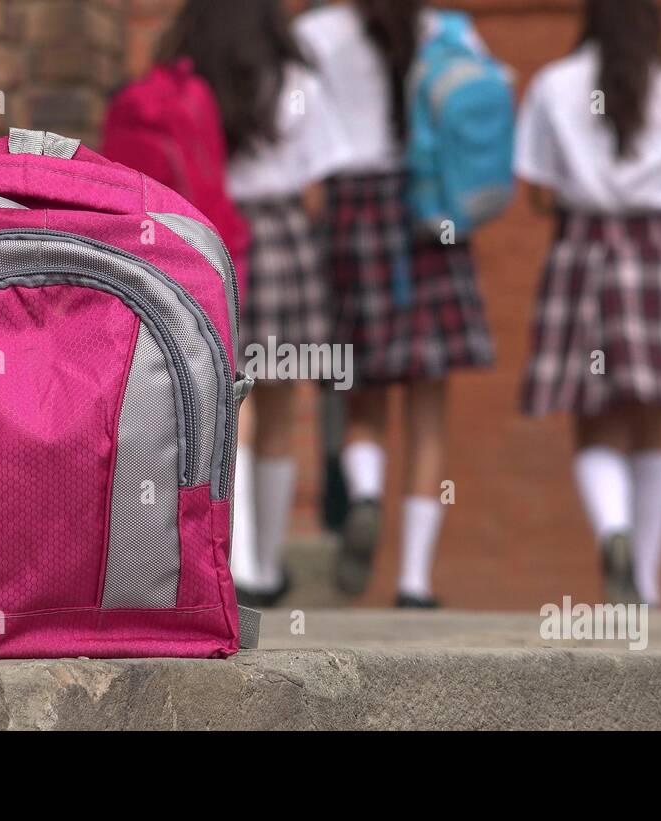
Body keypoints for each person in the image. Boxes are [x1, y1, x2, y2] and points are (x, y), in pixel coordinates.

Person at [515, 0, 661, 605]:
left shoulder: (554, 86)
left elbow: (536, 192)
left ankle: (612, 531)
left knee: (593, 421)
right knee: (650, 425)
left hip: (583, 251)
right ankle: (646, 582)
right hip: (660, 254)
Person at [295, 0, 496, 608]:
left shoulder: (314, 34)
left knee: (364, 395)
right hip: (432, 210)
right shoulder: (447, 29)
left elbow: (302, 139)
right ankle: (415, 582)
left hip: (355, 209)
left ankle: (363, 497)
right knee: (429, 407)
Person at [158, 0, 351, 607]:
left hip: (204, 235)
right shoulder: (296, 79)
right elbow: (317, 182)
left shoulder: (185, 71)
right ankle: (265, 567)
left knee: (220, 396)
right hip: (282, 236)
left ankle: (230, 559)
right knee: (278, 397)